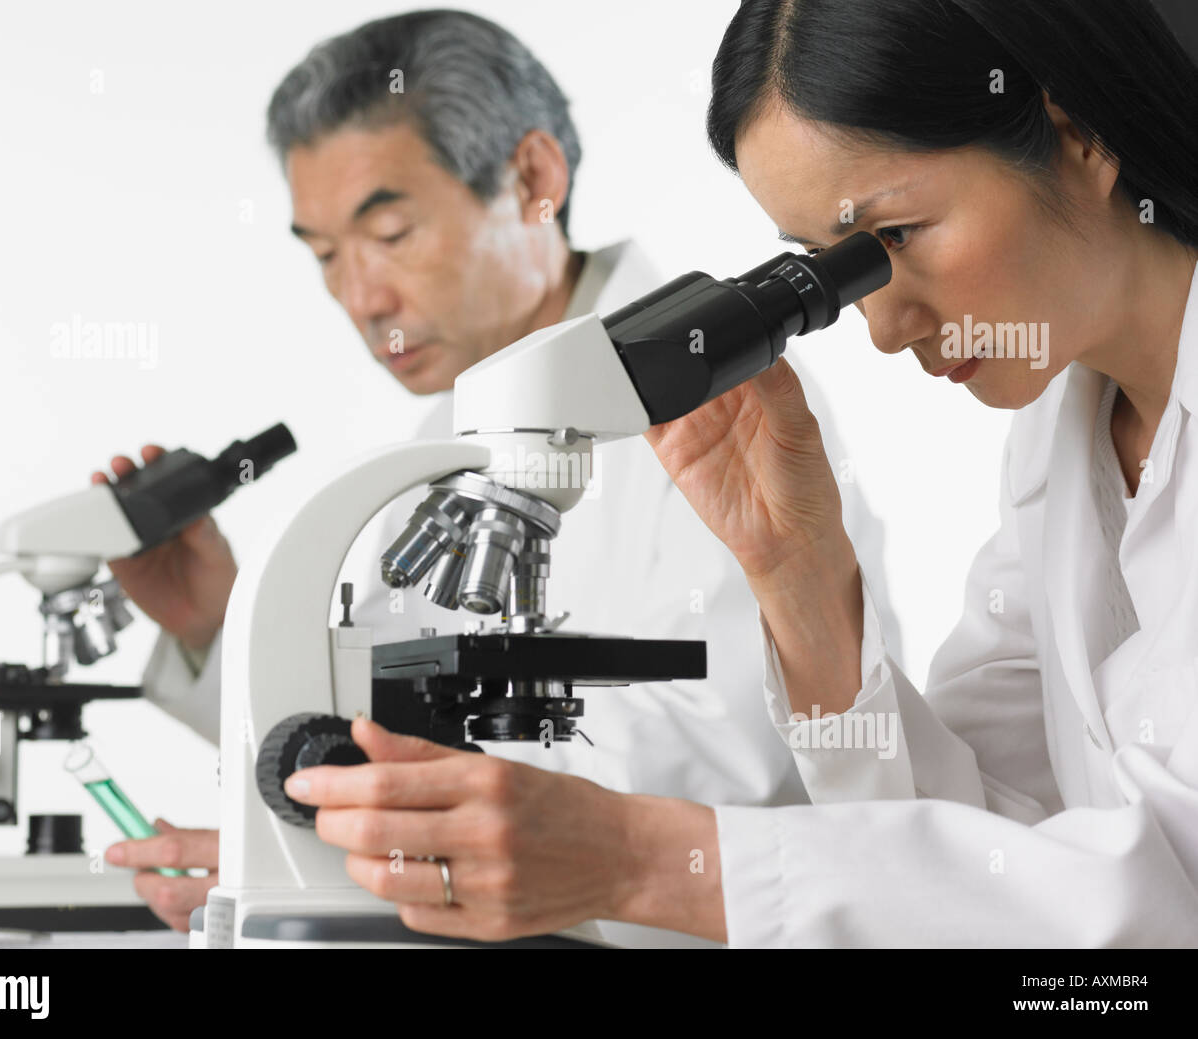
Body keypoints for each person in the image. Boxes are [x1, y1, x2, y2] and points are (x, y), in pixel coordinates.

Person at [274, 0, 1198, 947]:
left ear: (1079, 136)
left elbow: (1161, 892)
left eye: (899, 234)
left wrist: (634, 859)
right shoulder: (1061, 434)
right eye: (828, 264)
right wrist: (799, 579)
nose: (880, 328)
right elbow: (977, 844)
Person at [92, 9, 895, 942]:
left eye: (389, 232)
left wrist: (379, 850)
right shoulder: (456, 432)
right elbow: (367, 716)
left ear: (533, 181)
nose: (361, 297)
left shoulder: (721, 403)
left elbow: (739, 767)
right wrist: (219, 619)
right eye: (323, 255)